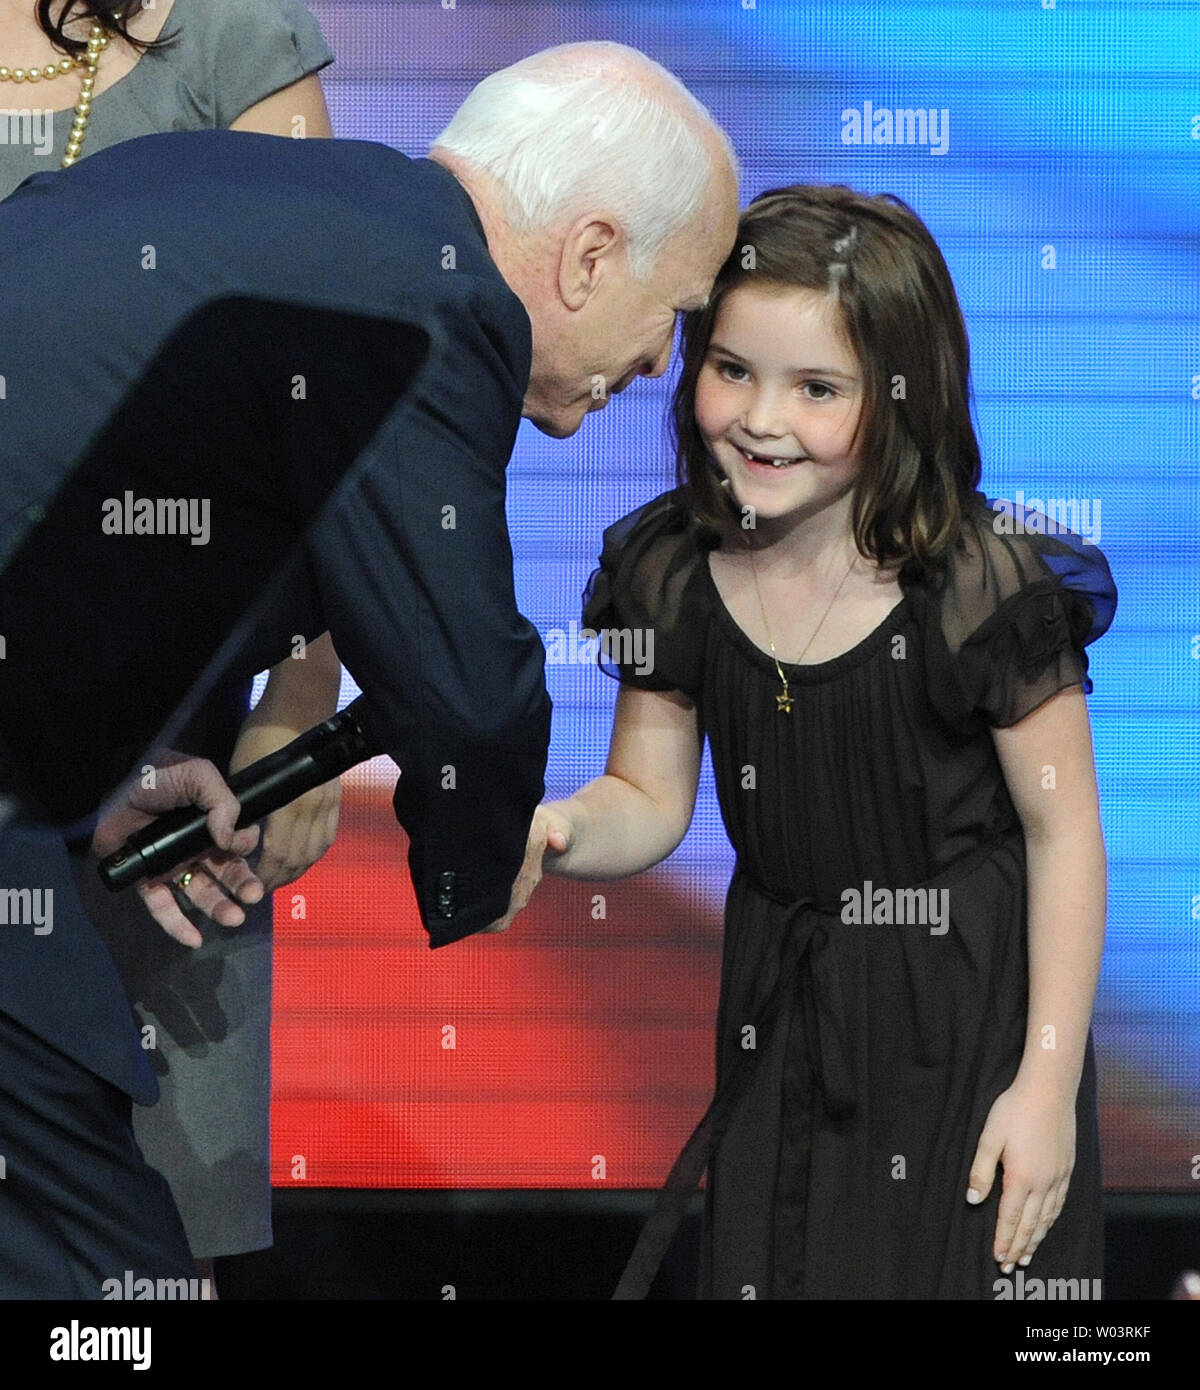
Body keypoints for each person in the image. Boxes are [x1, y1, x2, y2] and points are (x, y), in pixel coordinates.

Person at [0, 40, 739, 1297]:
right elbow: (460, 677)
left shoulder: (271, 209)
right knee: (109, 1292)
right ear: (591, 255)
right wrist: (486, 844)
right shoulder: (430, 295)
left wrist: (95, 767)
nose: (666, 364)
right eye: (674, 310)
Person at [524, 184, 1117, 1299]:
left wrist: (1044, 1086)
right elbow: (647, 799)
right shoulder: (673, 566)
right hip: (783, 1007)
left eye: (817, 389)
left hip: (967, 1013)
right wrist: (555, 827)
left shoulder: (979, 587)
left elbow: (1065, 838)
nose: (760, 417)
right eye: (732, 368)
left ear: (902, 398)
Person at [0, 0, 340, 1285]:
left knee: (143, 1261)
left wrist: (300, 700)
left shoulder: (234, 41)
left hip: (157, 772)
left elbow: (318, 398)